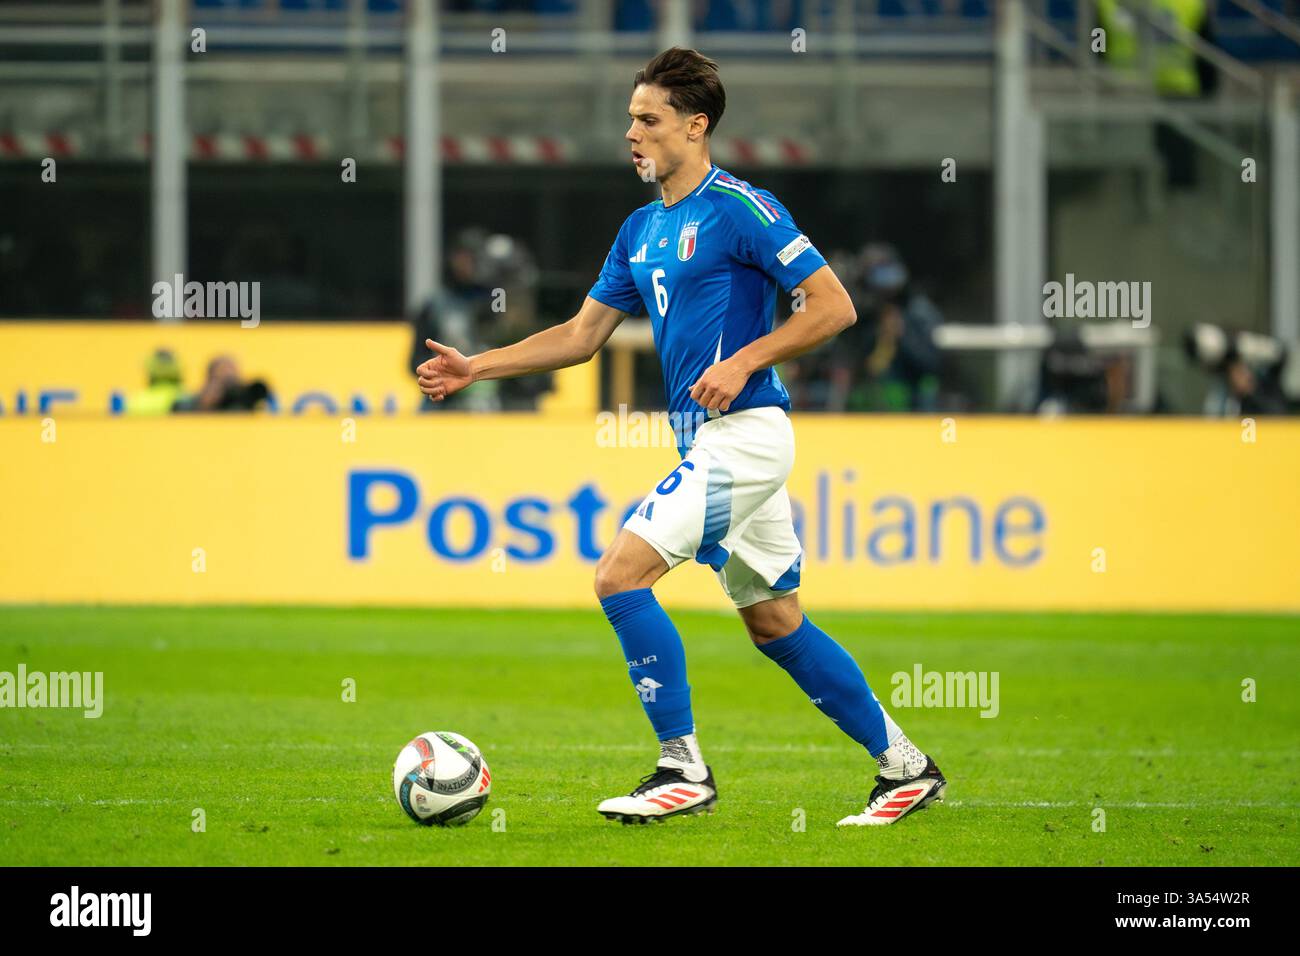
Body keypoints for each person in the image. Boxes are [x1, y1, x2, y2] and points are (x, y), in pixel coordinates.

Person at [416, 47, 947, 827]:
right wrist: (476, 367)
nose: (632, 133)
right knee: (774, 621)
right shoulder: (640, 227)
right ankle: (905, 767)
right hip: (708, 443)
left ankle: (681, 768)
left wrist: (744, 360)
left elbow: (833, 307)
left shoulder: (742, 208)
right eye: (630, 118)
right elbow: (580, 334)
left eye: (648, 119)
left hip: (749, 434)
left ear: (696, 128)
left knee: (619, 578)